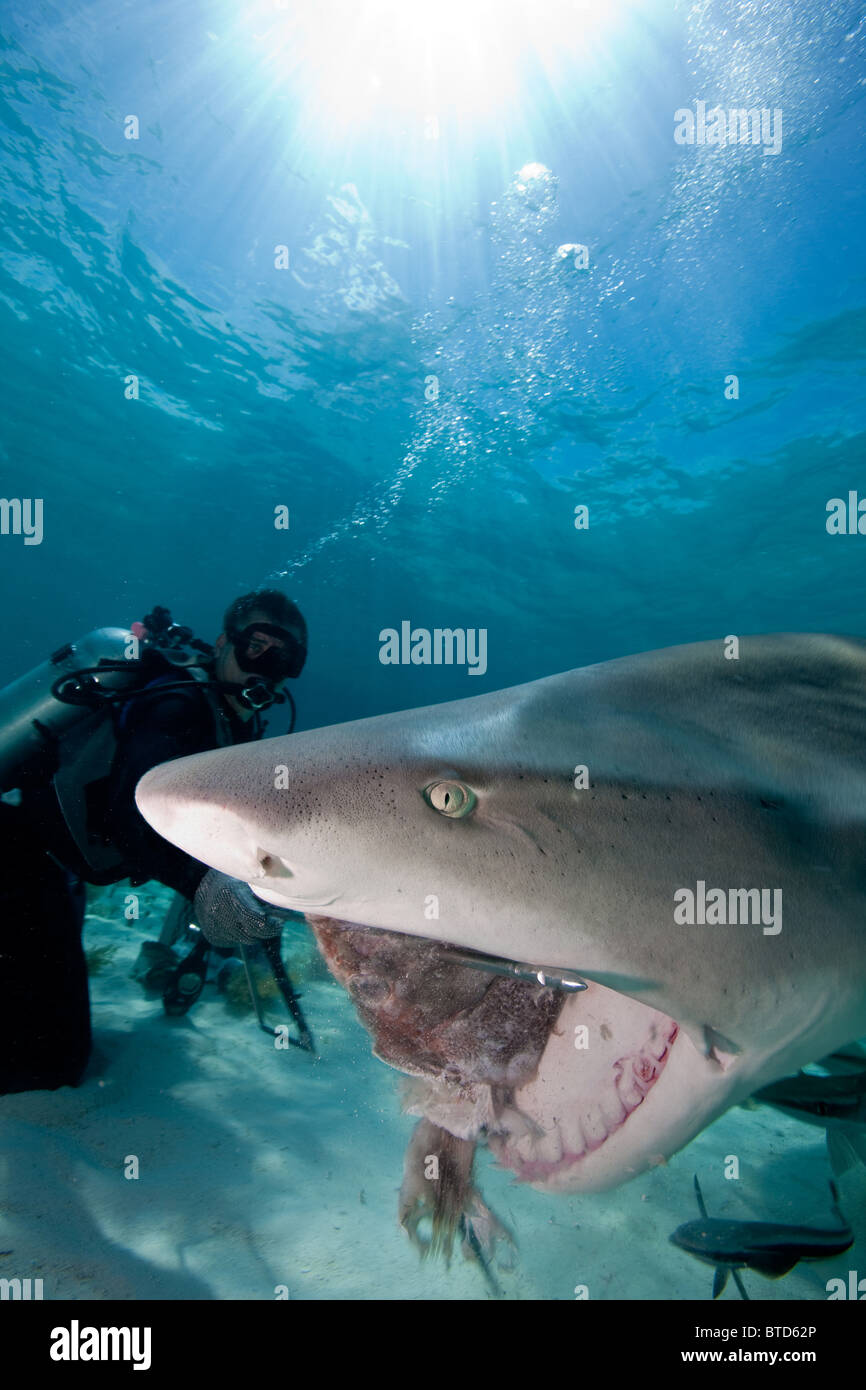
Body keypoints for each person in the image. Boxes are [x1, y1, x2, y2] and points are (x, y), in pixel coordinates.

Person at [0, 590, 307, 1095]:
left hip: (61, 866)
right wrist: (208, 888)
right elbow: (130, 818)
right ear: (225, 642)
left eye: (286, 658)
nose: (269, 667)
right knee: (46, 1065)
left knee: (48, 1023)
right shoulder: (178, 703)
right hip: (22, 855)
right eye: (260, 648)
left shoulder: (233, 720)